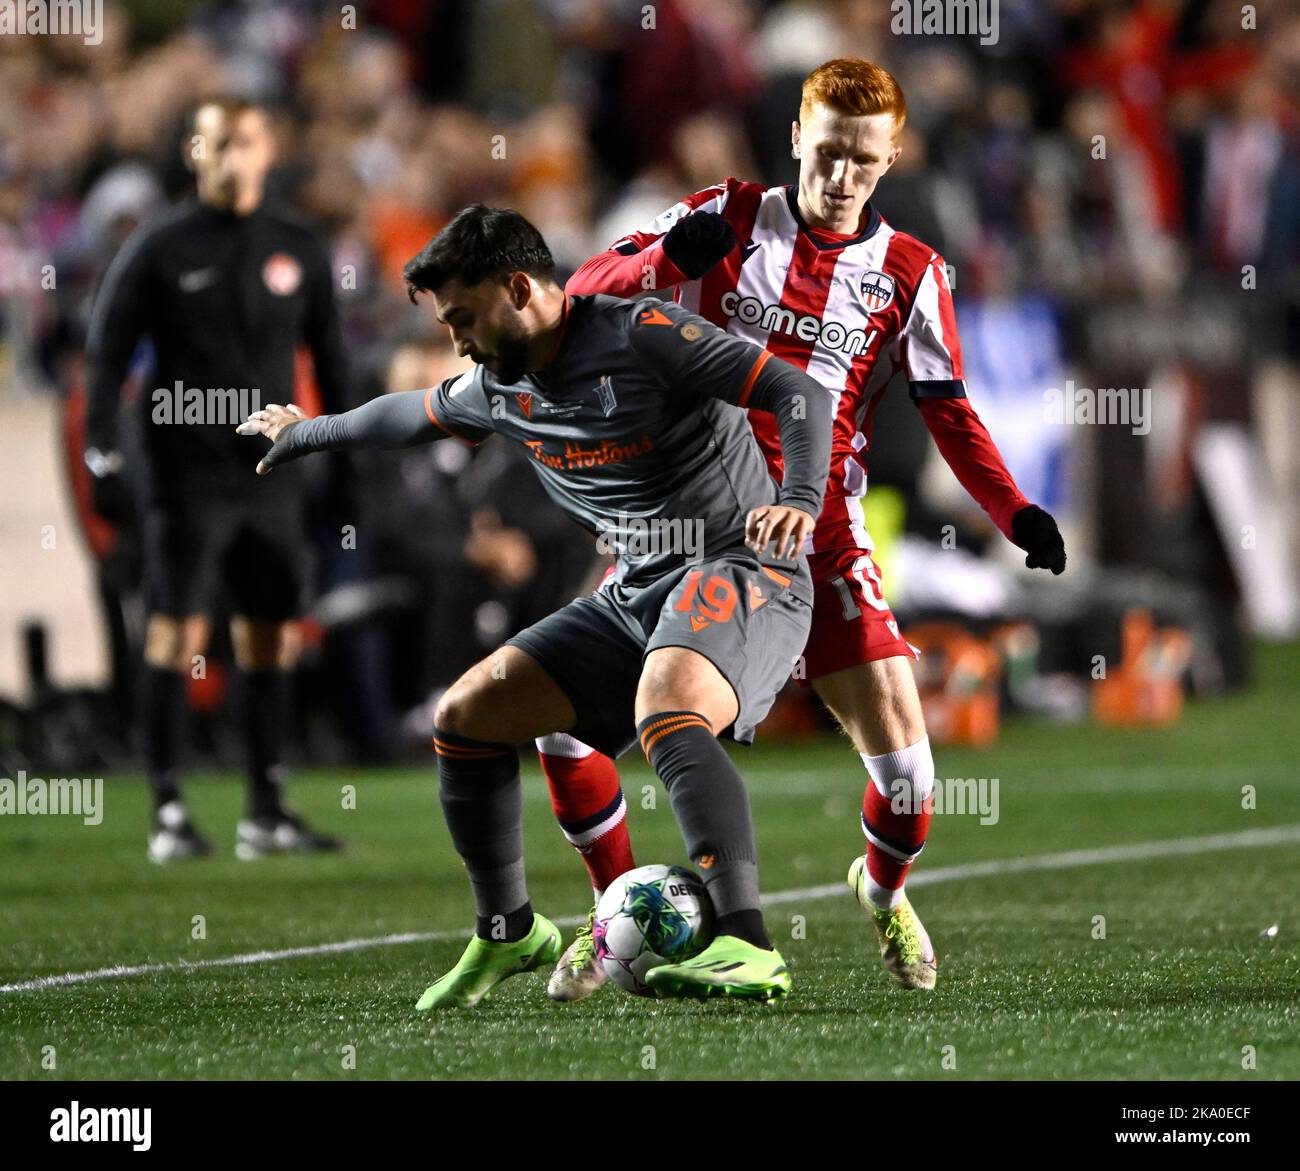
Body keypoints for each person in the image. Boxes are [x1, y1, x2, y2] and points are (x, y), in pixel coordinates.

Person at [539, 57, 1067, 999]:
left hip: (818, 531)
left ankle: (883, 886)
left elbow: (950, 410)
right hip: (687, 517)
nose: (842, 177)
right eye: (827, 153)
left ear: (893, 155)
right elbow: (581, 290)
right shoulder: (729, 214)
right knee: (568, 729)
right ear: (795, 137)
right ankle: (611, 906)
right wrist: (669, 259)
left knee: (908, 775)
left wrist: (1013, 510)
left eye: (864, 161)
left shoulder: (912, 273)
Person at [237, 204, 834, 1004]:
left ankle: (748, 942)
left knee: (668, 704)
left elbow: (791, 389)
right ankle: (509, 931)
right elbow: (406, 416)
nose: (456, 341)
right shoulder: (496, 385)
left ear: (520, 288)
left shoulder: (644, 334)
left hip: (741, 568)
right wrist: (308, 431)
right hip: (637, 592)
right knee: (469, 714)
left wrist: (798, 494)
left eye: (463, 318)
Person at [85, 100, 348, 862]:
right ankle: (167, 805)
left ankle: (264, 807)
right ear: (197, 151)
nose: (237, 157)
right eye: (222, 143)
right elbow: (106, 355)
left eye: (250, 142)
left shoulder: (298, 246)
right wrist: (104, 453)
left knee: (271, 635)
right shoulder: (159, 246)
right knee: (178, 631)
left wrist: (345, 463)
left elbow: (330, 362)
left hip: (270, 469)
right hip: (182, 471)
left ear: (270, 151)